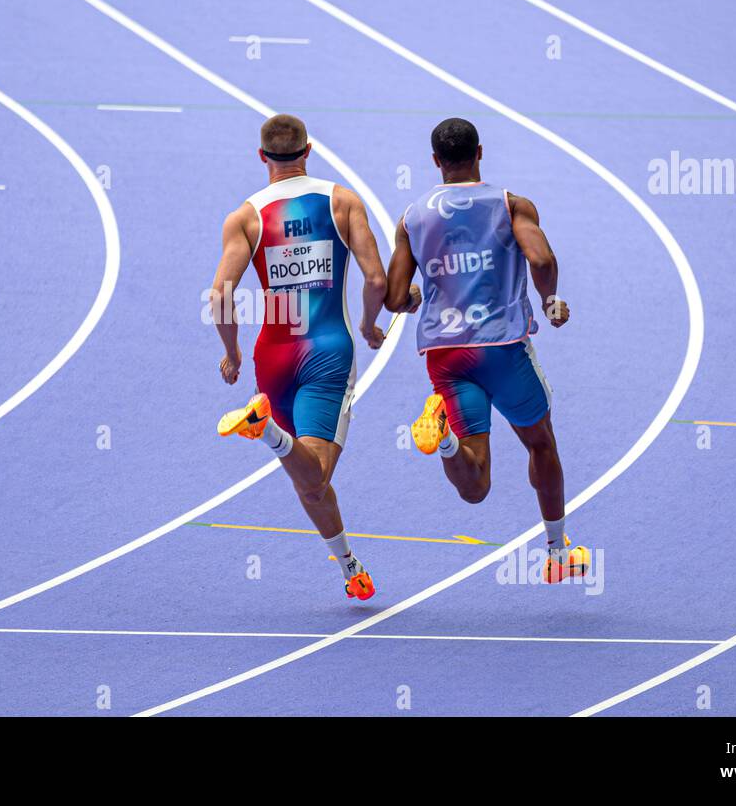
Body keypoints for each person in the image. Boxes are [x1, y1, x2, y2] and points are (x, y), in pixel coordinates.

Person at [385, 117, 589, 584]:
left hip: (446, 354)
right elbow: (541, 259)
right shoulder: (510, 204)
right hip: (502, 348)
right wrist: (550, 301)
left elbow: (395, 298)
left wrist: (415, 297)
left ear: (435, 161)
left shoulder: (412, 216)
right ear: (481, 152)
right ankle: (557, 552)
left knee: (475, 487)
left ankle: (449, 442)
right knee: (540, 443)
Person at [211, 114, 389, 600]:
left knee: (306, 478)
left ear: (261, 157)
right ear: (309, 149)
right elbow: (376, 280)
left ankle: (349, 565)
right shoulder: (343, 201)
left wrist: (232, 354)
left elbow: (220, 294)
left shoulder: (245, 217)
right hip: (326, 351)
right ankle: (265, 430)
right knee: (318, 470)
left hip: (273, 354)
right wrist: (372, 325)